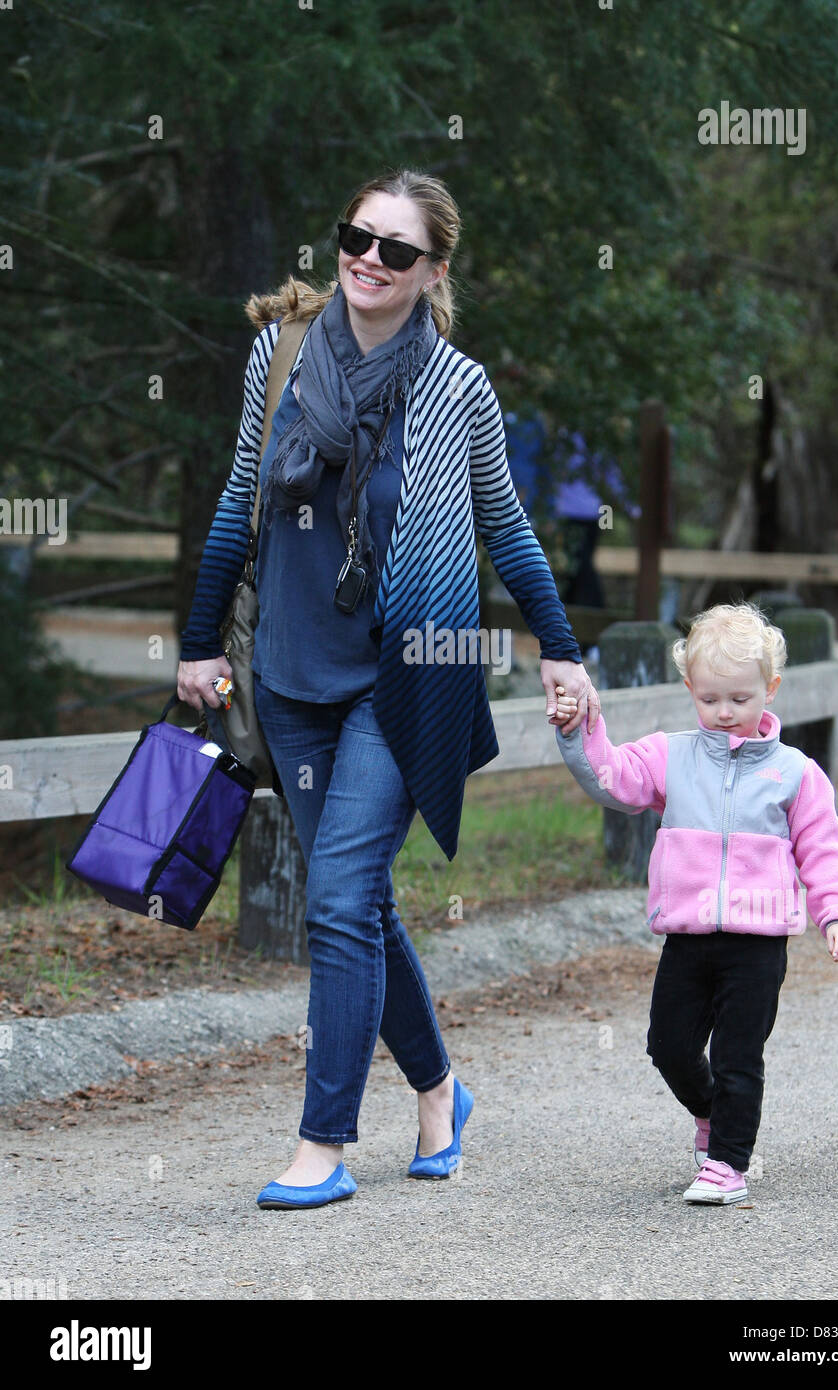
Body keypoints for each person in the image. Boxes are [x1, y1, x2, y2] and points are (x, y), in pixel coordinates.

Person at [176, 169, 600, 1210]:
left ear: (432, 271)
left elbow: (502, 526)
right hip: (288, 672)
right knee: (356, 898)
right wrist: (196, 640)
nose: (368, 258)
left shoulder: (454, 388)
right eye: (356, 236)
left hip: (404, 677)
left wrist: (560, 647)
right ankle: (441, 1089)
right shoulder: (280, 358)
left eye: (395, 249)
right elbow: (240, 491)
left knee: (335, 898)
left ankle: (321, 1145)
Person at [553, 601, 838, 1205]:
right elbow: (610, 776)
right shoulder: (671, 756)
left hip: (758, 945)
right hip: (688, 939)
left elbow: (824, 853)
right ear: (691, 689)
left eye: (741, 700)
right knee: (667, 1045)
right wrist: (579, 730)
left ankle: (727, 1163)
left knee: (737, 1056)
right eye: (710, 699)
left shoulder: (796, 775)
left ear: (769, 690)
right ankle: (713, 1114)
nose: (724, 713)